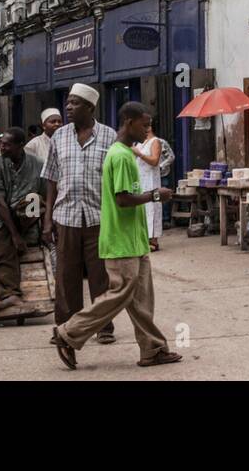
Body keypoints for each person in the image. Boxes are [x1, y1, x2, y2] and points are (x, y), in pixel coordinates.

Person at [53, 102, 182, 370]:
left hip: (134, 240)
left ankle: (152, 349)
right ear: (128, 122)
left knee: (141, 299)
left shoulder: (125, 153)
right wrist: (157, 195)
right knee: (120, 294)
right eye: (144, 125)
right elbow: (123, 199)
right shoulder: (121, 156)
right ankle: (69, 333)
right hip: (121, 241)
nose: (147, 131)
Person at [42, 84, 119, 345]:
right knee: (66, 276)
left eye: (75, 103)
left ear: (90, 107)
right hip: (66, 217)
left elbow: (116, 180)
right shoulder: (59, 137)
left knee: (100, 276)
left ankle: (103, 326)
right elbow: (51, 180)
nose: (69, 107)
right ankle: (66, 328)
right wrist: (47, 219)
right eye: (68, 103)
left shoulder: (110, 137)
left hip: (100, 217)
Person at [0, 127, 45, 312]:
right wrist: (14, 235)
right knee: (0, 242)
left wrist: (47, 226)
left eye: (7, 145)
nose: (2, 148)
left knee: (32, 199)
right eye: (1, 144)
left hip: (30, 214)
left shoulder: (37, 164)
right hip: (4, 216)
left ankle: (27, 232)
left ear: (20, 146)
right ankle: (11, 294)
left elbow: (47, 194)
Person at [132, 133, 164, 251]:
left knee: (153, 207)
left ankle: (153, 239)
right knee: (143, 208)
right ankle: (143, 238)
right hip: (141, 179)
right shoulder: (140, 142)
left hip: (151, 180)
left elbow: (155, 161)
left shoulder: (155, 141)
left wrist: (139, 154)